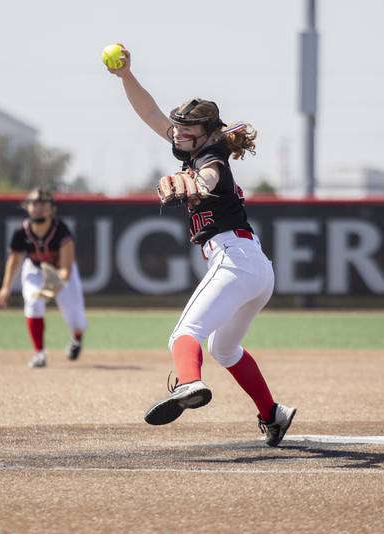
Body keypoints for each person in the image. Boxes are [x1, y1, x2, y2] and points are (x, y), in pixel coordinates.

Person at [107, 45, 296, 447]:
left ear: (208, 133)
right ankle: (273, 415)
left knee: (183, 335)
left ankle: (189, 383)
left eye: (187, 128)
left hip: (234, 260)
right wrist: (127, 76)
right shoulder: (198, 149)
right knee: (224, 349)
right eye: (179, 126)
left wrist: (195, 183)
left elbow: (209, 177)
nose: (177, 132)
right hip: (256, 268)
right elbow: (150, 113)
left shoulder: (211, 159)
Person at [0, 188, 87, 368]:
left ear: (52, 208)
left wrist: (55, 284)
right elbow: (14, 260)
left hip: (60, 272)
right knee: (33, 303)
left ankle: (76, 339)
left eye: (44, 204)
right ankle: (39, 354)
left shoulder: (62, 231)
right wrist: (6, 287)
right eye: (34, 204)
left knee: (77, 321)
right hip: (35, 270)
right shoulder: (21, 232)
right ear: (27, 207)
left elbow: (66, 269)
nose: (39, 208)